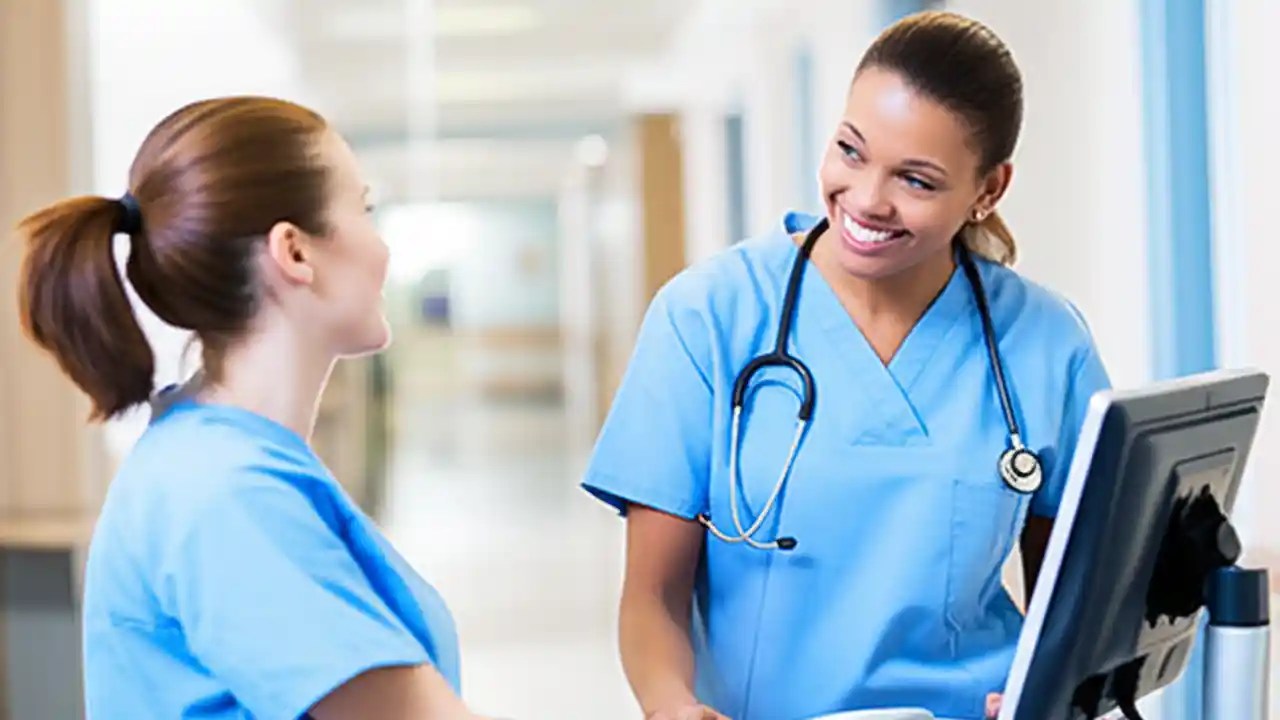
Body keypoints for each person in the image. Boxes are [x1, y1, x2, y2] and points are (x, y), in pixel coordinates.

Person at [581, 11, 1110, 720]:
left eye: (916, 180)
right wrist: (670, 704)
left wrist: (1050, 693)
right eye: (850, 151)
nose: (866, 200)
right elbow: (652, 599)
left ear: (988, 190)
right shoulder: (708, 316)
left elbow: (1074, 611)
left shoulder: (1044, 341)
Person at [16, 96, 484, 719]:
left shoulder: (224, 460)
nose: (382, 249)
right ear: (295, 252)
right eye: (364, 210)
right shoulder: (225, 491)